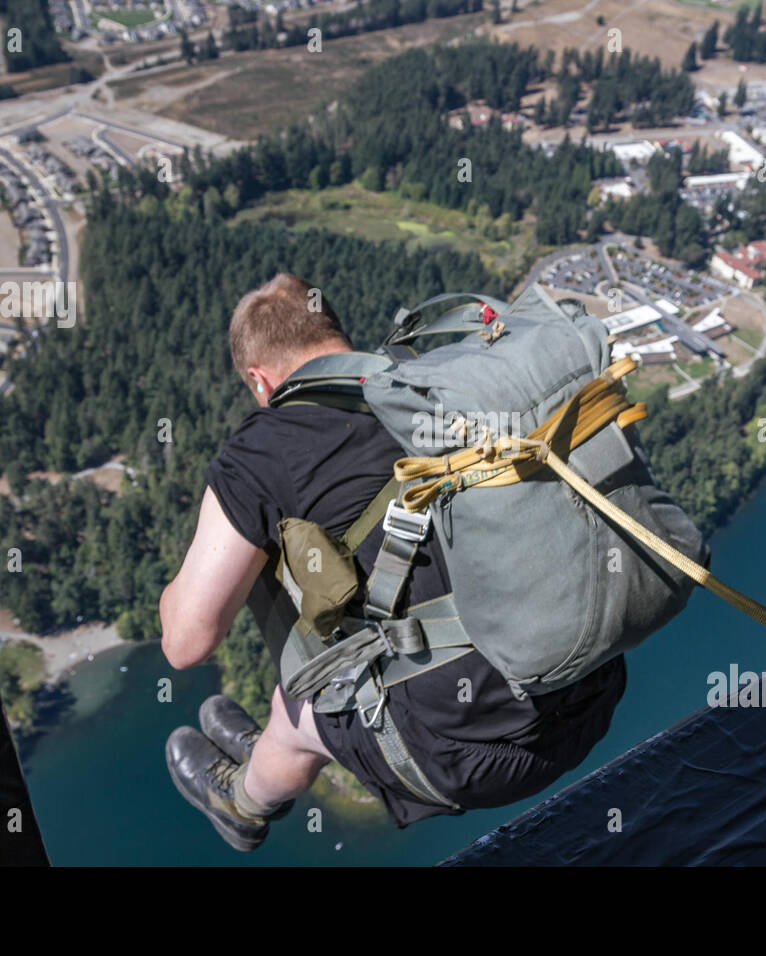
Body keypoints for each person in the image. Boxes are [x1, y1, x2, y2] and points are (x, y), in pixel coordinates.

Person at [160, 272, 627, 851]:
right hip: (592, 689)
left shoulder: (261, 449)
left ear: (260, 381)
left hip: (468, 756)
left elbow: (186, 644)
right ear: (337, 334)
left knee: (293, 716)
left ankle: (240, 803)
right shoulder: (438, 386)